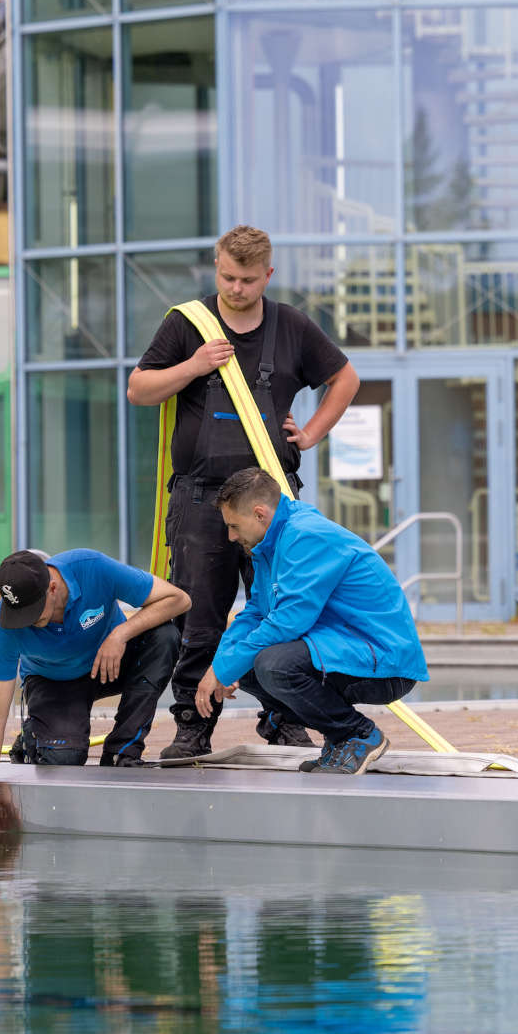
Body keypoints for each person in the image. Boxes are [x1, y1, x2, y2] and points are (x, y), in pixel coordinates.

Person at [128, 225, 361, 760]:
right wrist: (194, 366)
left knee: (284, 609)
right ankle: (192, 725)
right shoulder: (187, 324)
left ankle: (284, 715)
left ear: (268, 276)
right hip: (200, 498)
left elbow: (344, 379)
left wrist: (313, 432)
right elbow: (139, 389)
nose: (236, 288)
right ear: (216, 268)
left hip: (271, 503)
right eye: (228, 277)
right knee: (197, 615)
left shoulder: (290, 327)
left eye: (248, 280)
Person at [192, 467, 428, 775]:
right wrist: (221, 664)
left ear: (260, 513)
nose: (231, 536)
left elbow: (288, 623)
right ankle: (338, 738)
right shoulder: (271, 543)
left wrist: (224, 669)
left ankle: (356, 734)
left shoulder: (306, 536)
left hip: (383, 659)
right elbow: (255, 612)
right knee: (248, 667)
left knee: (274, 665)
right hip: (341, 647)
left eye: (234, 526)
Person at [0, 548, 189, 833]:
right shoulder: (7, 623)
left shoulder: (92, 568)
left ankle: (122, 752)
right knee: (64, 763)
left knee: (164, 637)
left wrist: (120, 634)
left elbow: (179, 599)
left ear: (52, 588)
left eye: (32, 615)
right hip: (52, 680)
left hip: (107, 660)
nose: (25, 623)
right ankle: (32, 737)